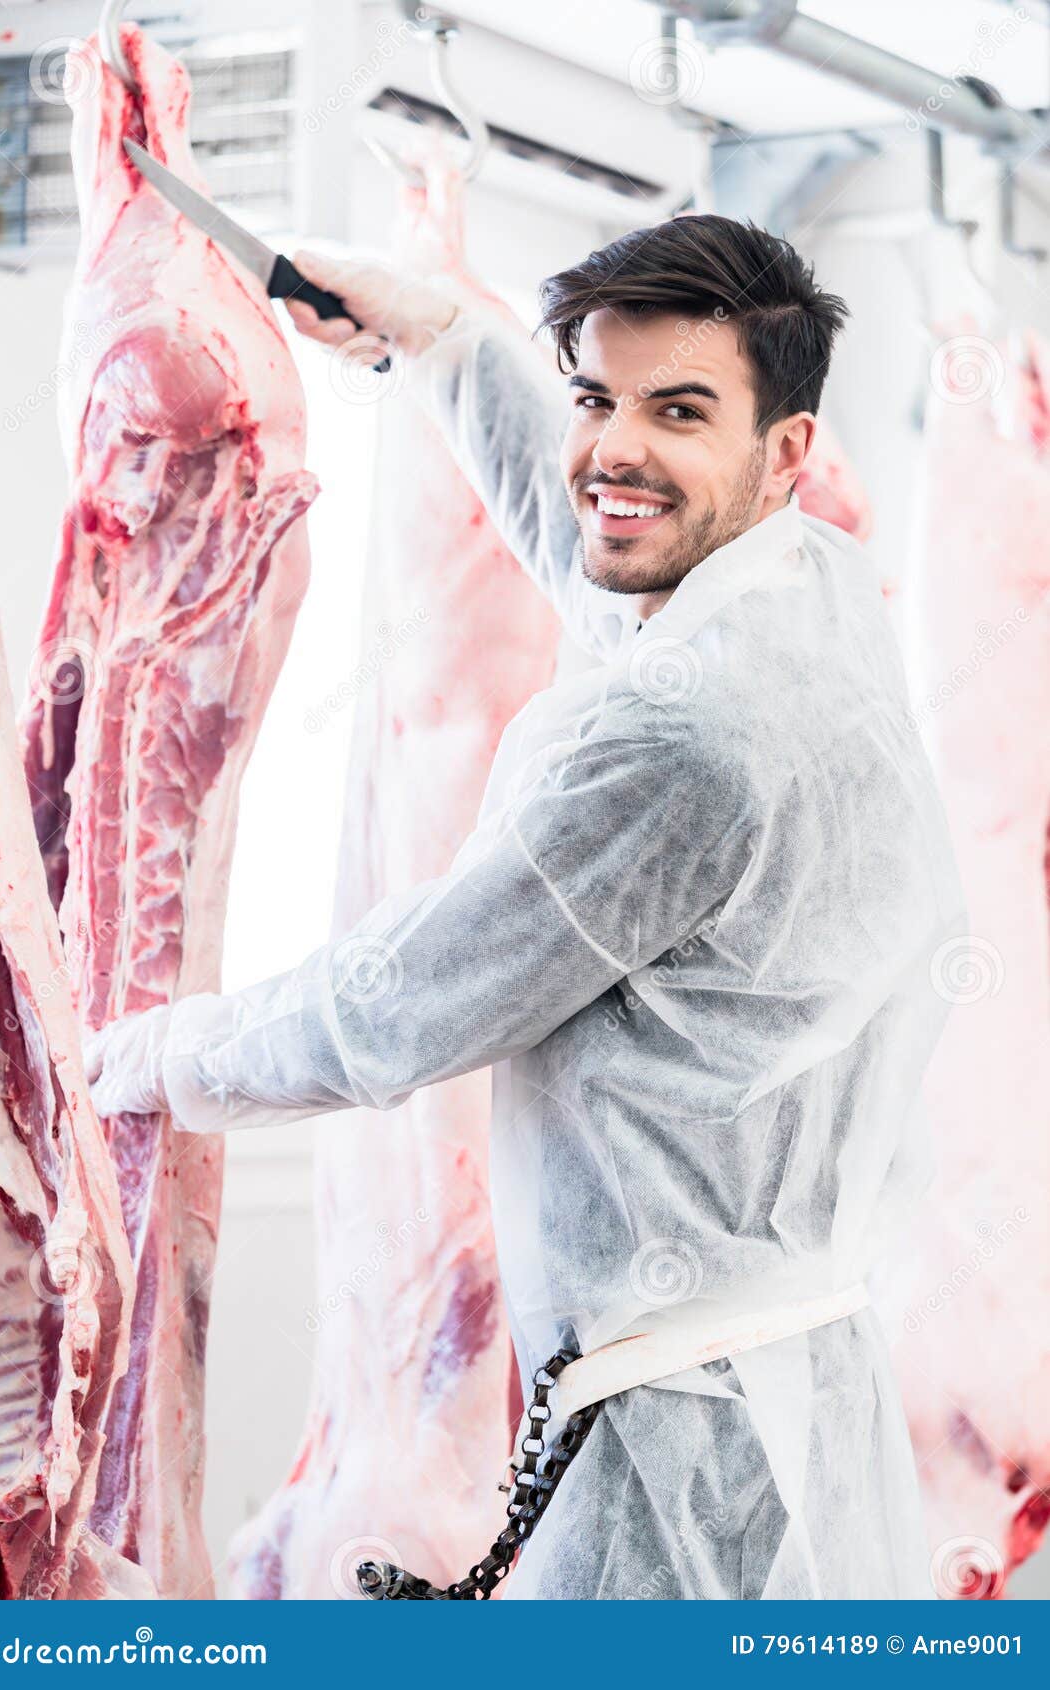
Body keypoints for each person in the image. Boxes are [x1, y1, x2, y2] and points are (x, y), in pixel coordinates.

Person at [85, 214, 966, 1600]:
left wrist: (125, 1060)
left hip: (675, 1470)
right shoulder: (807, 606)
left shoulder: (679, 741)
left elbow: (390, 1009)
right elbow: (600, 561)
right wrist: (434, 337)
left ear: (787, 452)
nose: (614, 448)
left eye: (679, 410)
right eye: (595, 400)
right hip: (786, 1401)